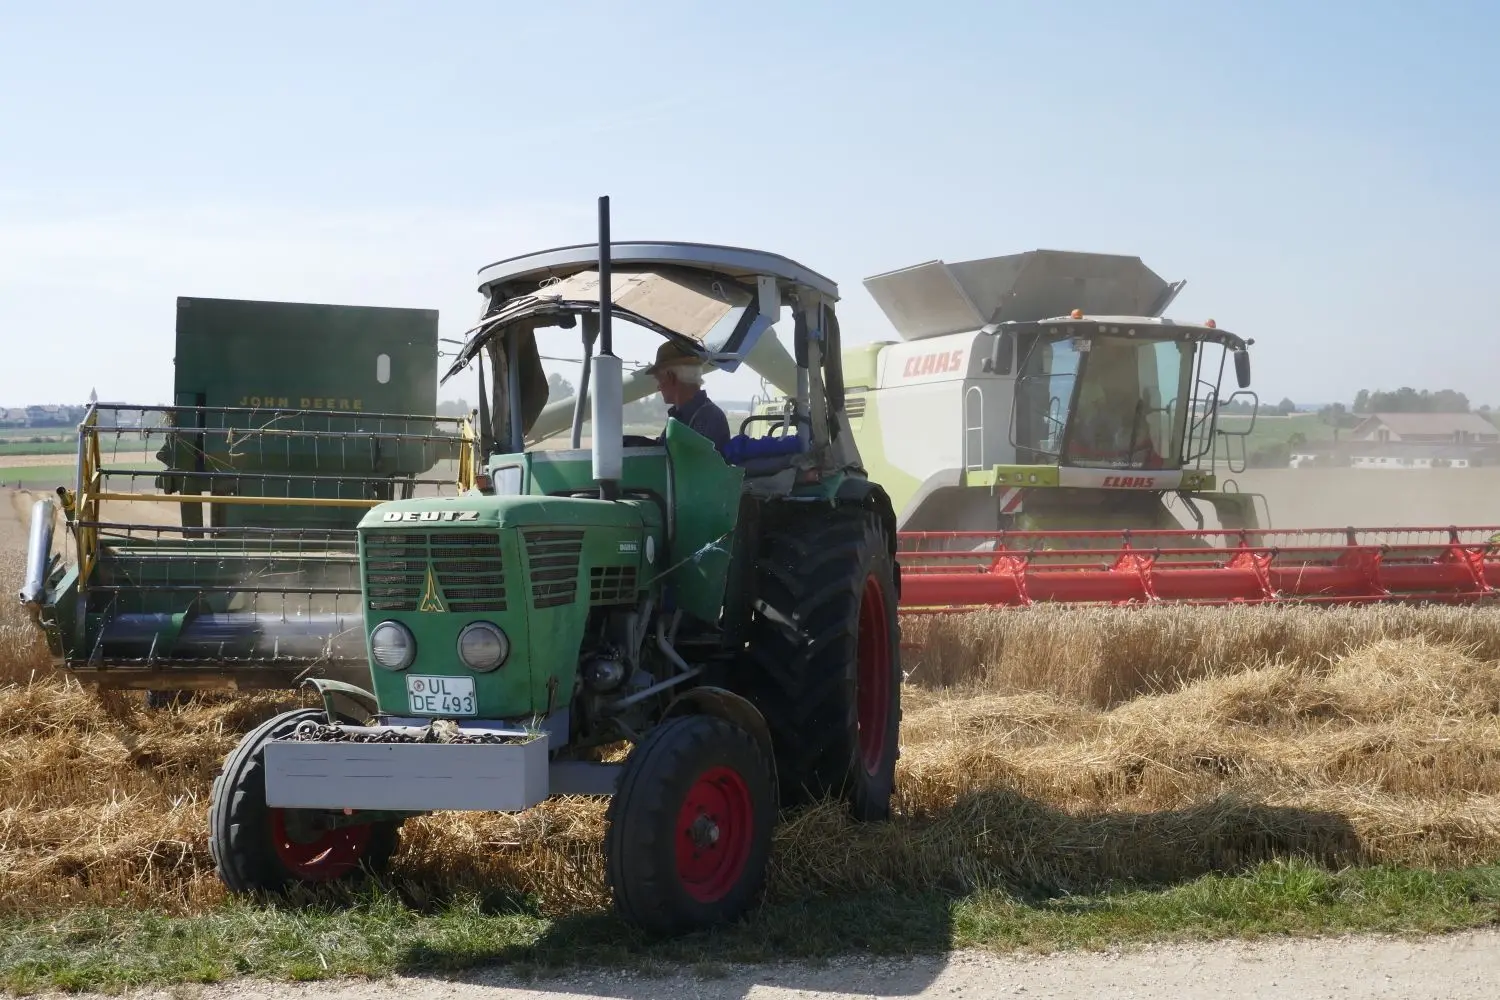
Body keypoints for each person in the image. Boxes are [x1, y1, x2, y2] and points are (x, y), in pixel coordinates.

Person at [642, 339, 731, 456]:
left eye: (659, 379)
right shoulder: (685, 416)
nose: (659, 387)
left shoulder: (706, 418)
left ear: (671, 377)